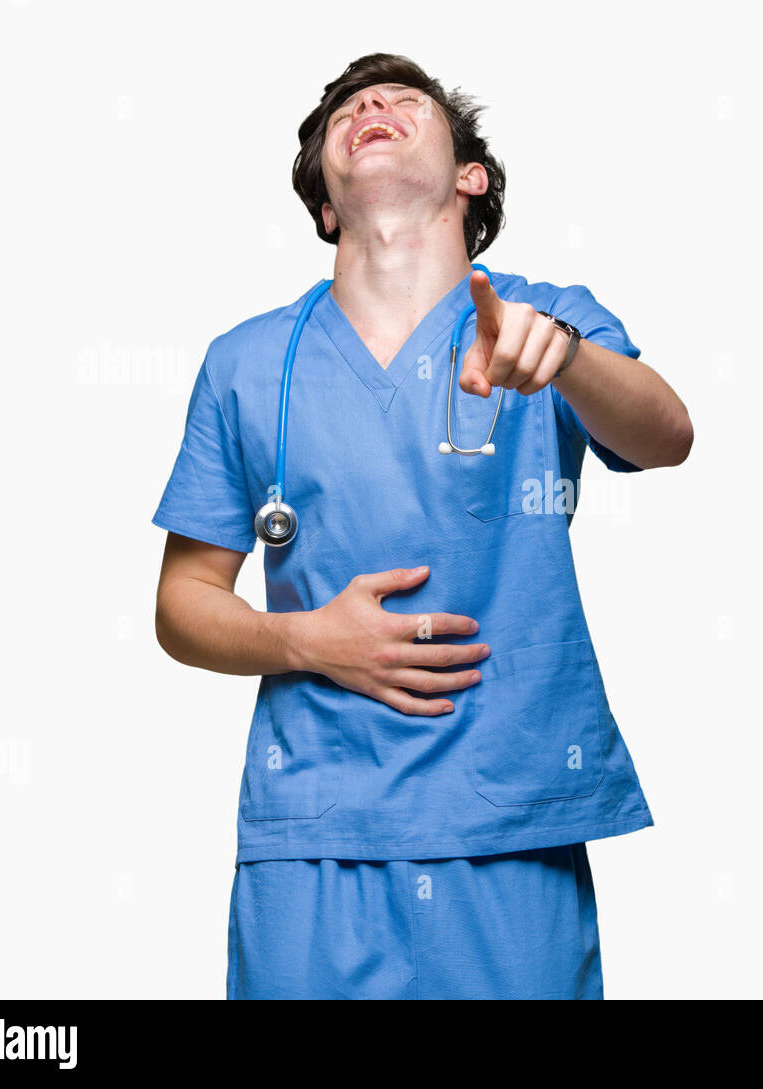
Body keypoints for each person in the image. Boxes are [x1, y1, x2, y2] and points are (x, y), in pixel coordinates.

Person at [151, 53, 692, 999]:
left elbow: (667, 434)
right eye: (347, 109)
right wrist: (308, 639)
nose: (372, 104)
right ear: (325, 202)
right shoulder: (245, 364)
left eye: (408, 100)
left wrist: (560, 359)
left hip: (508, 823)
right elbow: (181, 603)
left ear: (470, 177)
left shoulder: (545, 320)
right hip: (313, 836)